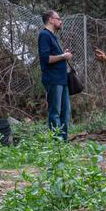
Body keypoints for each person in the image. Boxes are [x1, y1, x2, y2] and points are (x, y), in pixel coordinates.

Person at [38, 9, 73, 141]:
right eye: (58, 19)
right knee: (55, 112)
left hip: (62, 80)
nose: (60, 21)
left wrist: (62, 55)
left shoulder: (53, 36)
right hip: (53, 80)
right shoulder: (44, 35)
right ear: (51, 20)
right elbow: (46, 58)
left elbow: (54, 57)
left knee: (65, 112)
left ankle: (63, 141)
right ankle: (56, 142)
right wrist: (63, 56)